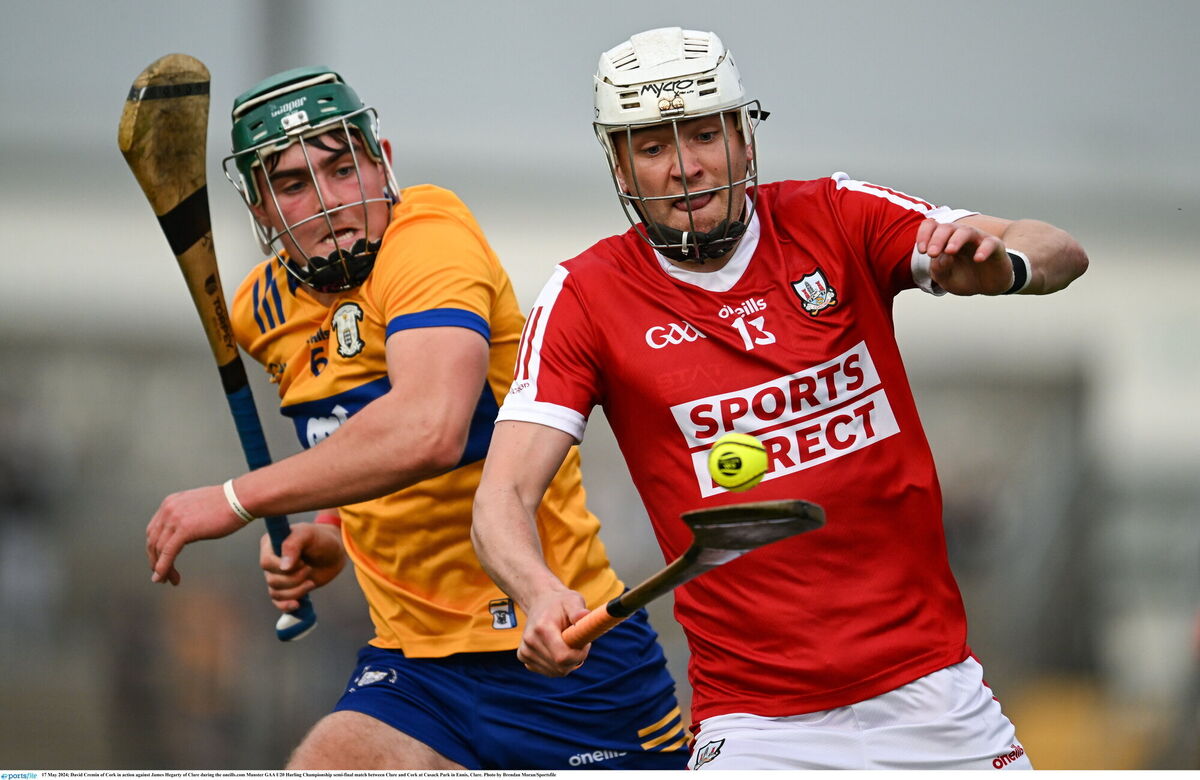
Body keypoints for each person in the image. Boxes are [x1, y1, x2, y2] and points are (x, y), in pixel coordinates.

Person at [471, 27, 1089, 771]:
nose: (685, 168)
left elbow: (1059, 249)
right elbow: (501, 495)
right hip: (759, 727)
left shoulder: (837, 215)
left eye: (703, 135)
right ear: (619, 164)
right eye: (653, 147)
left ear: (744, 136)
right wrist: (537, 591)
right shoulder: (586, 296)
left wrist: (1005, 264)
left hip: (936, 697)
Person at [144, 66, 689, 771]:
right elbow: (352, 428)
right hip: (415, 669)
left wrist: (235, 500)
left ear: (384, 163)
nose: (326, 204)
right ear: (260, 210)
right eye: (292, 185)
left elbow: (430, 427)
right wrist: (332, 525)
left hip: (563, 649)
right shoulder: (259, 312)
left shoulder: (429, 242)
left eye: (342, 169)